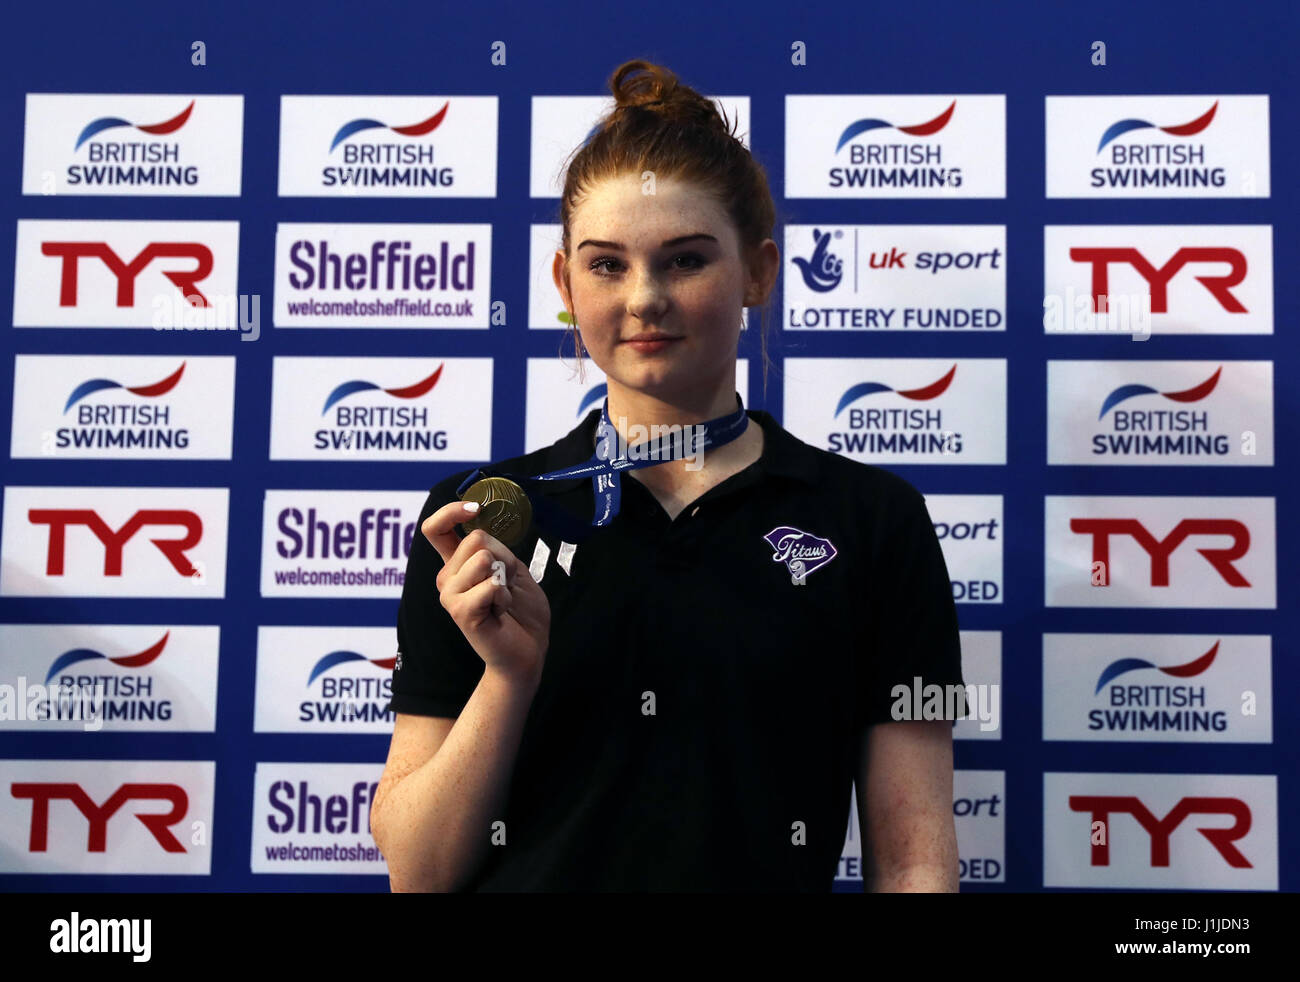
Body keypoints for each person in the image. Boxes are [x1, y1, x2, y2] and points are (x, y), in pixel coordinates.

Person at [370, 59, 966, 892]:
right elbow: (420, 874)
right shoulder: (479, 520)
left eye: (685, 260)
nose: (644, 297)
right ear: (565, 285)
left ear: (758, 272)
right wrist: (510, 675)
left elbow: (915, 861)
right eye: (607, 265)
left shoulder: (874, 521)